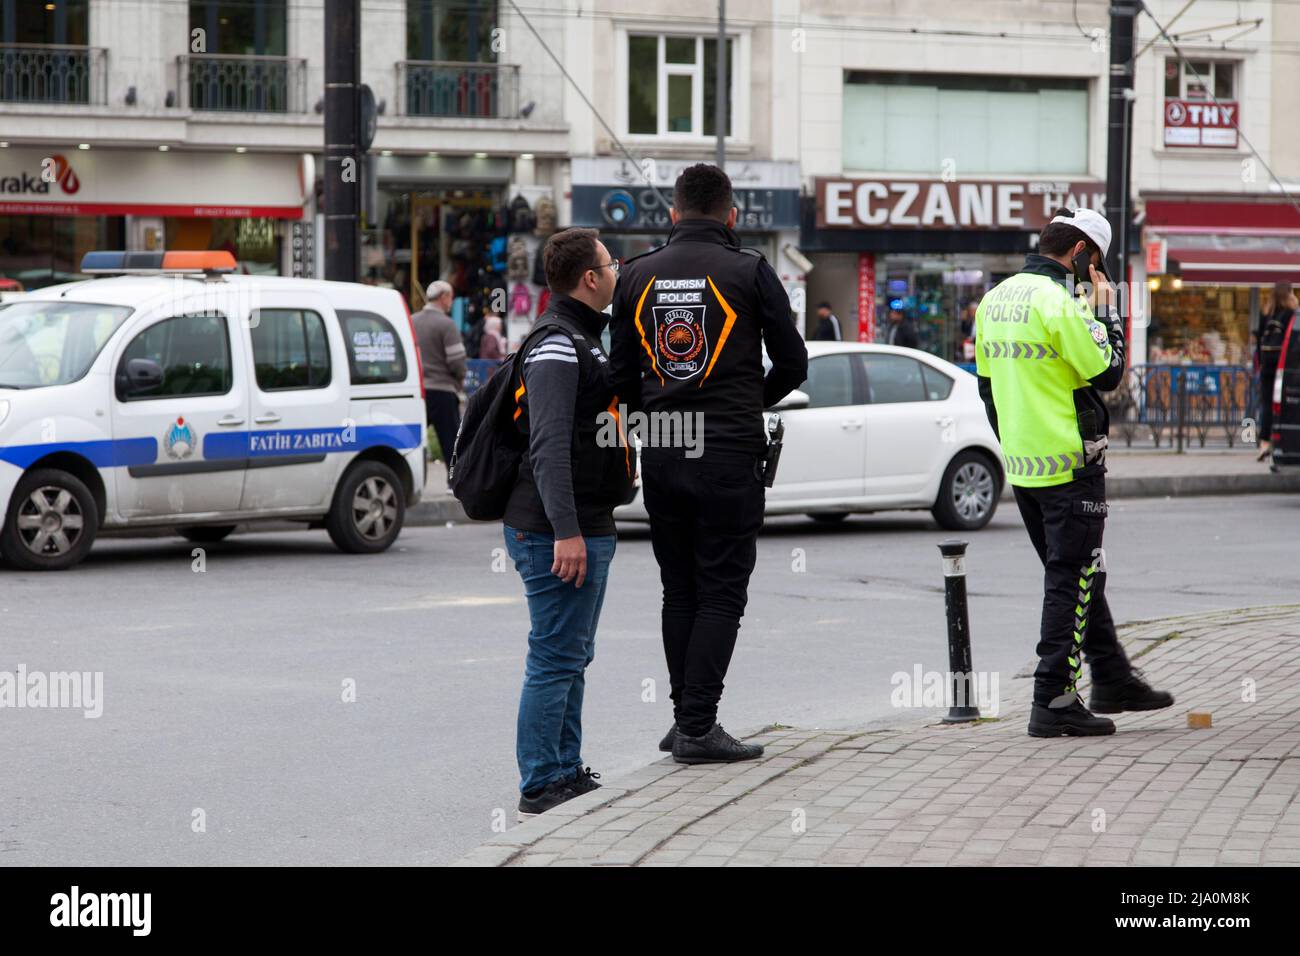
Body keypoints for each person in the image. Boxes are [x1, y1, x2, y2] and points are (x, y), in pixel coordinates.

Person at [610, 163, 808, 764]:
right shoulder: (749, 270)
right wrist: (745, 401)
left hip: (665, 452)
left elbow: (621, 379)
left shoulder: (636, 274)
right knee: (722, 591)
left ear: (672, 214)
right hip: (728, 453)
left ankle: (684, 718)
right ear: (732, 215)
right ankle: (698, 726)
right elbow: (795, 365)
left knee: (680, 590)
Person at [975, 207, 1173, 738]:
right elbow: (1108, 372)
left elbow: (987, 387)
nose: (1096, 276)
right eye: (1096, 265)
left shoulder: (994, 299)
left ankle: (1112, 677)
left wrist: (1016, 440)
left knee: (1082, 570)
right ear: (1081, 253)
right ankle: (1053, 699)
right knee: (1072, 577)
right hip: (1069, 461)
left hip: (1025, 465)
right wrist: (1108, 310)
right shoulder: (1059, 301)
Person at [503, 227, 630, 818]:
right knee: (555, 656)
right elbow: (548, 444)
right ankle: (539, 783)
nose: (616, 270)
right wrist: (568, 530)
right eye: (610, 264)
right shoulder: (557, 343)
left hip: (586, 522)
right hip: (558, 529)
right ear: (589, 278)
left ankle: (564, 770)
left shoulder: (585, 336)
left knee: (573, 654)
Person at [411, 280, 466, 466]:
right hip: (443, 390)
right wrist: (460, 380)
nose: (451, 301)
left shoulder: (412, 320)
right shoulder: (447, 324)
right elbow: (457, 362)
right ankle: (454, 481)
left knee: (414, 440)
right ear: (443, 297)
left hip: (419, 391)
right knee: (451, 442)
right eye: (450, 297)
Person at [1255, 282, 1293, 461]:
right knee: (1284, 403)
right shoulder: (1291, 314)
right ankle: (1281, 441)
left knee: (1267, 404)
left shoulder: (1265, 314)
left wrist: (1261, 363)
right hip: (1283, 365)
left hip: (1266, 365)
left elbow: (1258, 342)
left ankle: (1264, 443)